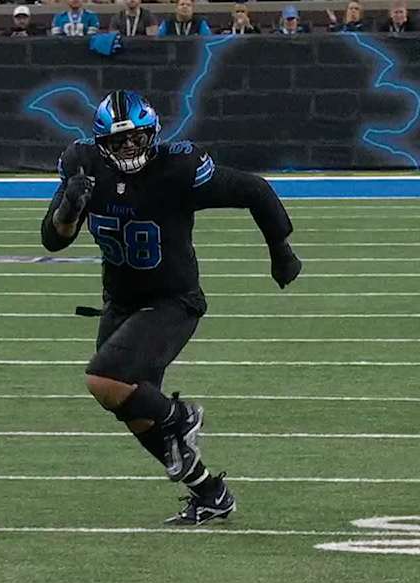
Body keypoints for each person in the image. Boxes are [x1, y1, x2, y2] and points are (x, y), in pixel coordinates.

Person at [39, 90, 303, 525]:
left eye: (136, 137)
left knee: (103, 380)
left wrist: (281, 250)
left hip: (172, 300)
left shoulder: (176, 169)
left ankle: (182, 415)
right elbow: (53, 239)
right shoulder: (82, 166)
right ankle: (210, 493)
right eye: (118, 141)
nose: (128, 147)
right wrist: (70, 205)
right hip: (120, 302)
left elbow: (253, 189)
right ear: (101, 143)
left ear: (153, 134)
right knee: (131, 408)